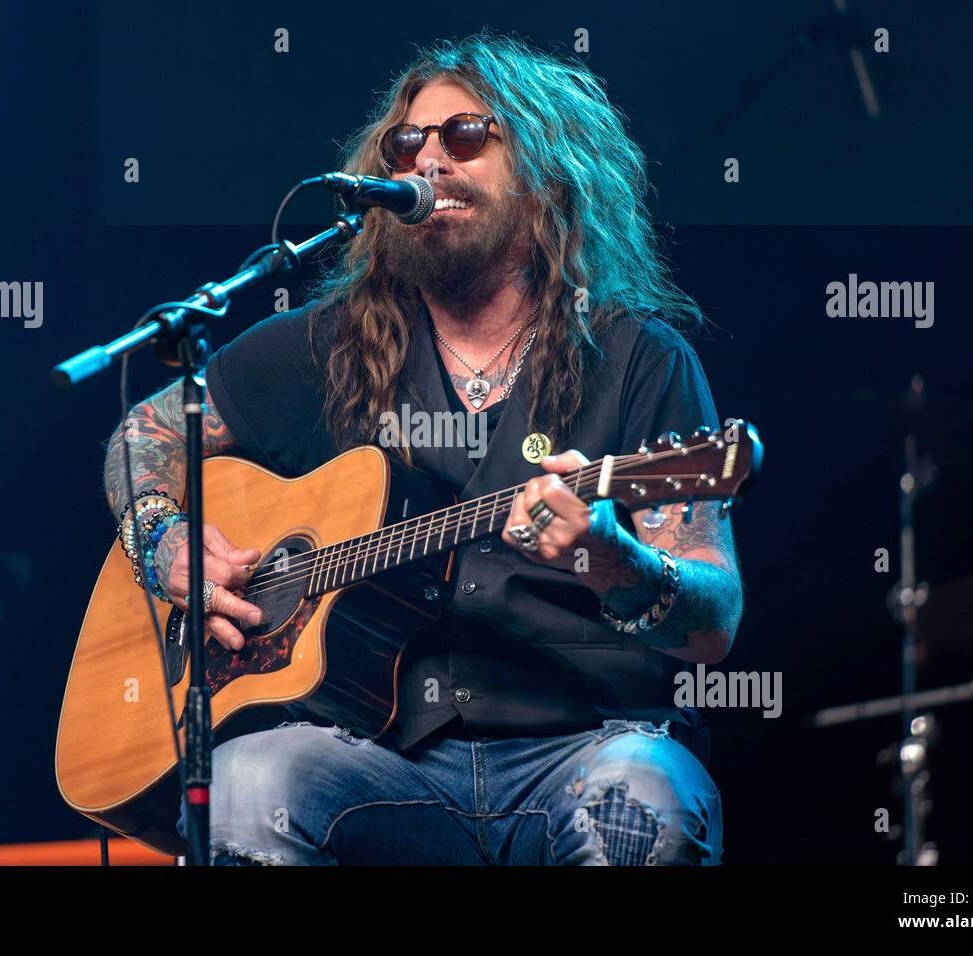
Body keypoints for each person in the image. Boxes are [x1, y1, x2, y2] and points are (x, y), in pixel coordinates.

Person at [103, 33, 741, 865]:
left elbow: (712, 624)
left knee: (642, 803)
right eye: (409, 143)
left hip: (582, 749)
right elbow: (138, 436)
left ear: (550, 170)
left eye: (468, 137)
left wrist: (614, 558)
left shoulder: (639, 360)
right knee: (247, 786)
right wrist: (164, 540)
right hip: (372, 761)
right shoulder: (328, 344)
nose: (429, 159)